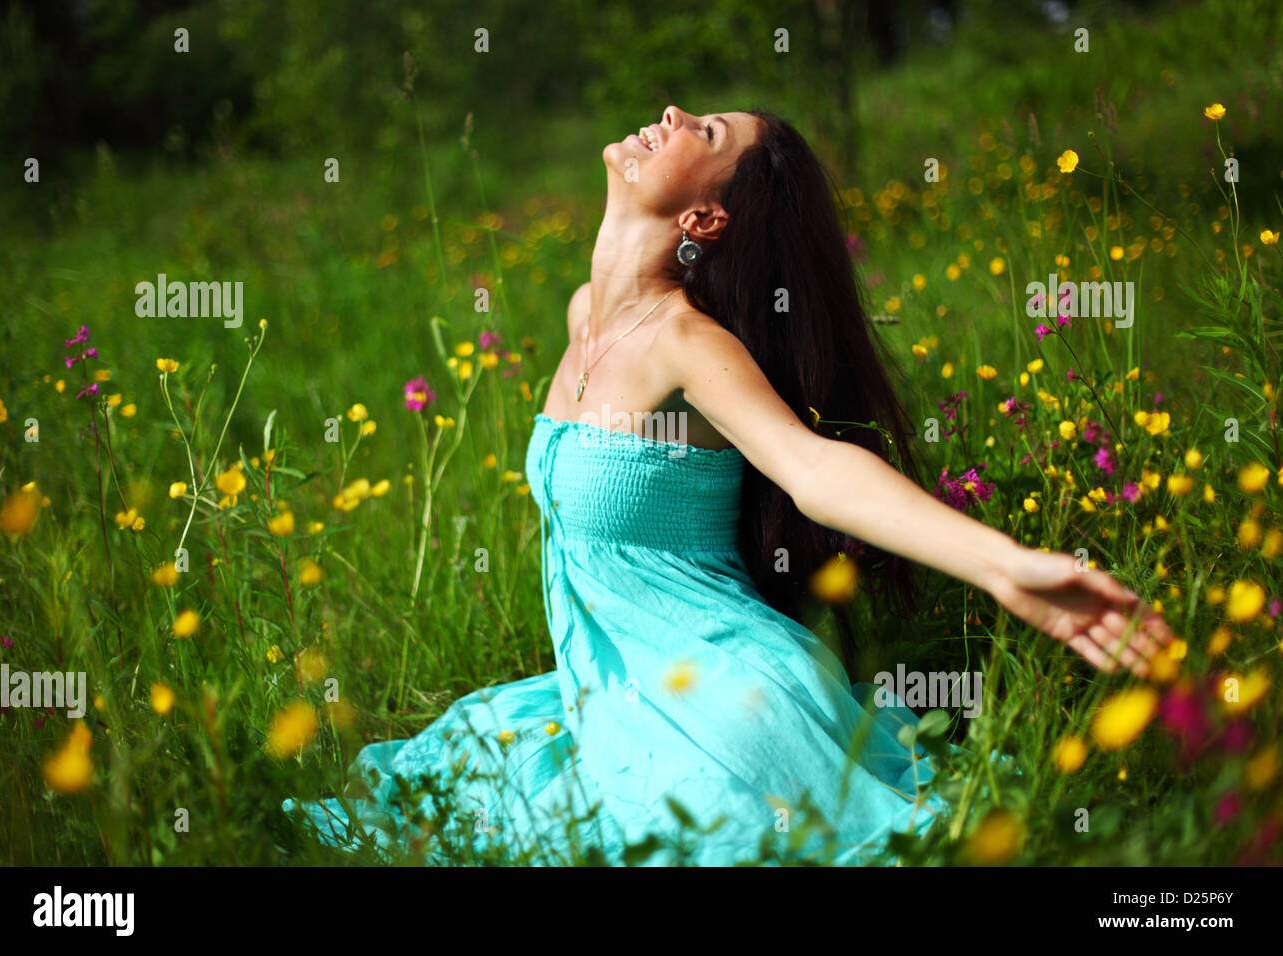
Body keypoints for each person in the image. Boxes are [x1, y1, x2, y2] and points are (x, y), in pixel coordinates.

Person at [282, 106, 1173, 866]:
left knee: (688, 831)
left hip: (719, 688)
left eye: (702, 129)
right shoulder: (583, 317)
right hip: (615, 686)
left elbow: (813, 468)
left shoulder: (689, 346)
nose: (669, 114)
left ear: (706, 218)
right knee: (474, 780)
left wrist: (1004, 565)